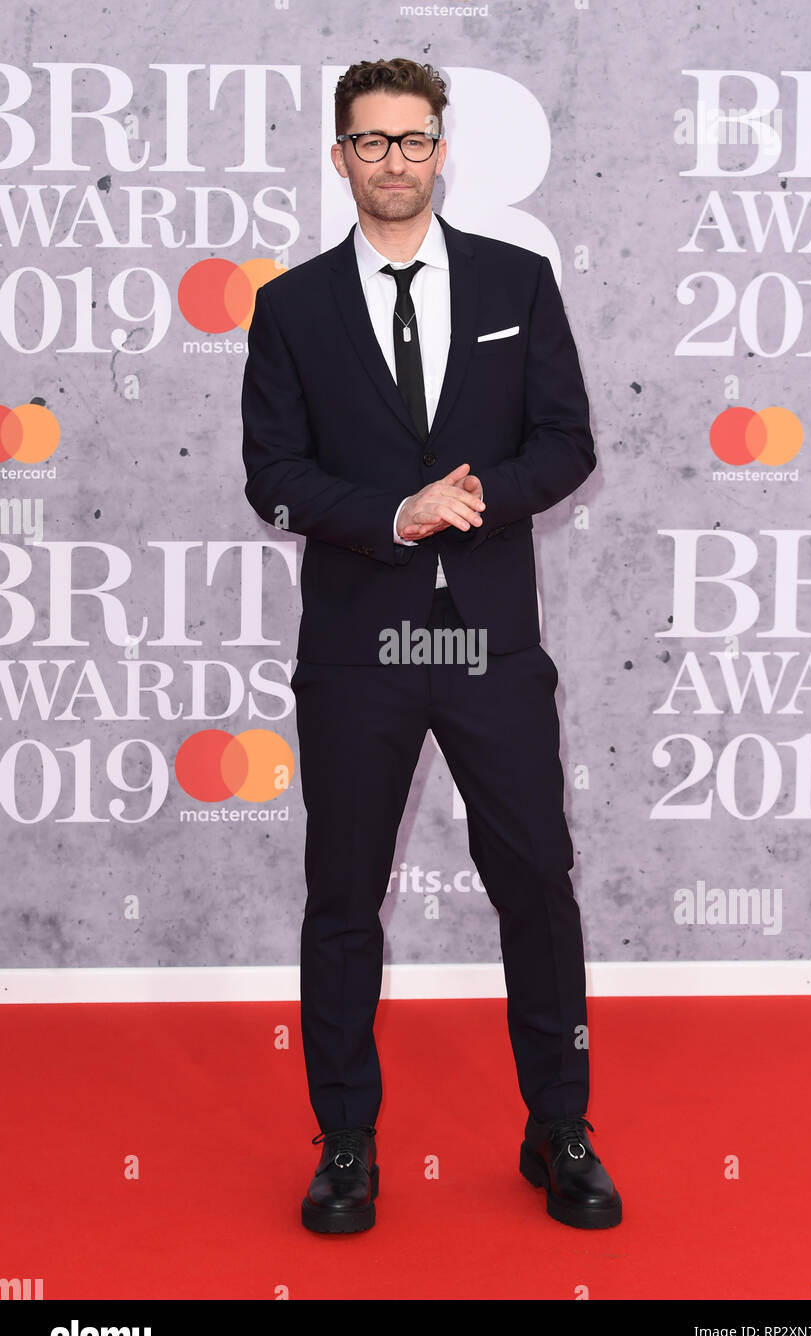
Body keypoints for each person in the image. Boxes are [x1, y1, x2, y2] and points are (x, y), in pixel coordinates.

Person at [241, 56, 622, 1235]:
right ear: (340, 155)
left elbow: (567, 444)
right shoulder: (292, 306)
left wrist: (476, 500)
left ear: (440, 149)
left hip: (490, 645)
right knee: (343, 900)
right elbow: (273, 480)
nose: (394, 160)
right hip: (358, 647)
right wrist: (391, 513)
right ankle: (345, 1142)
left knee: (537, 890)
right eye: (371, 142)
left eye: (413, 140)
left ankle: (557, 1124)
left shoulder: (517, 280)